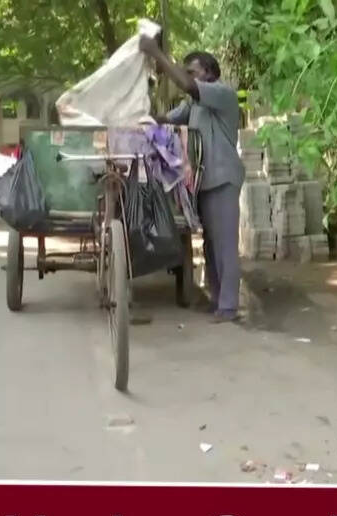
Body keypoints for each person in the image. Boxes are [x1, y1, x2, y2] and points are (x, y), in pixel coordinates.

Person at [139, 34, 246, 324]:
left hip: (223, 179)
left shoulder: (222, 94)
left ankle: (228, 307)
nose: (188, 77)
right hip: (204, 181)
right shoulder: (194, 105)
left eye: (193, 72)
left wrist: (157, 54)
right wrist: (142, 113)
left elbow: (187, 86)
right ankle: (217, 300)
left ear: (209, 73)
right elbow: (166, 119)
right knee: (210, 245)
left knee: (224, 245)